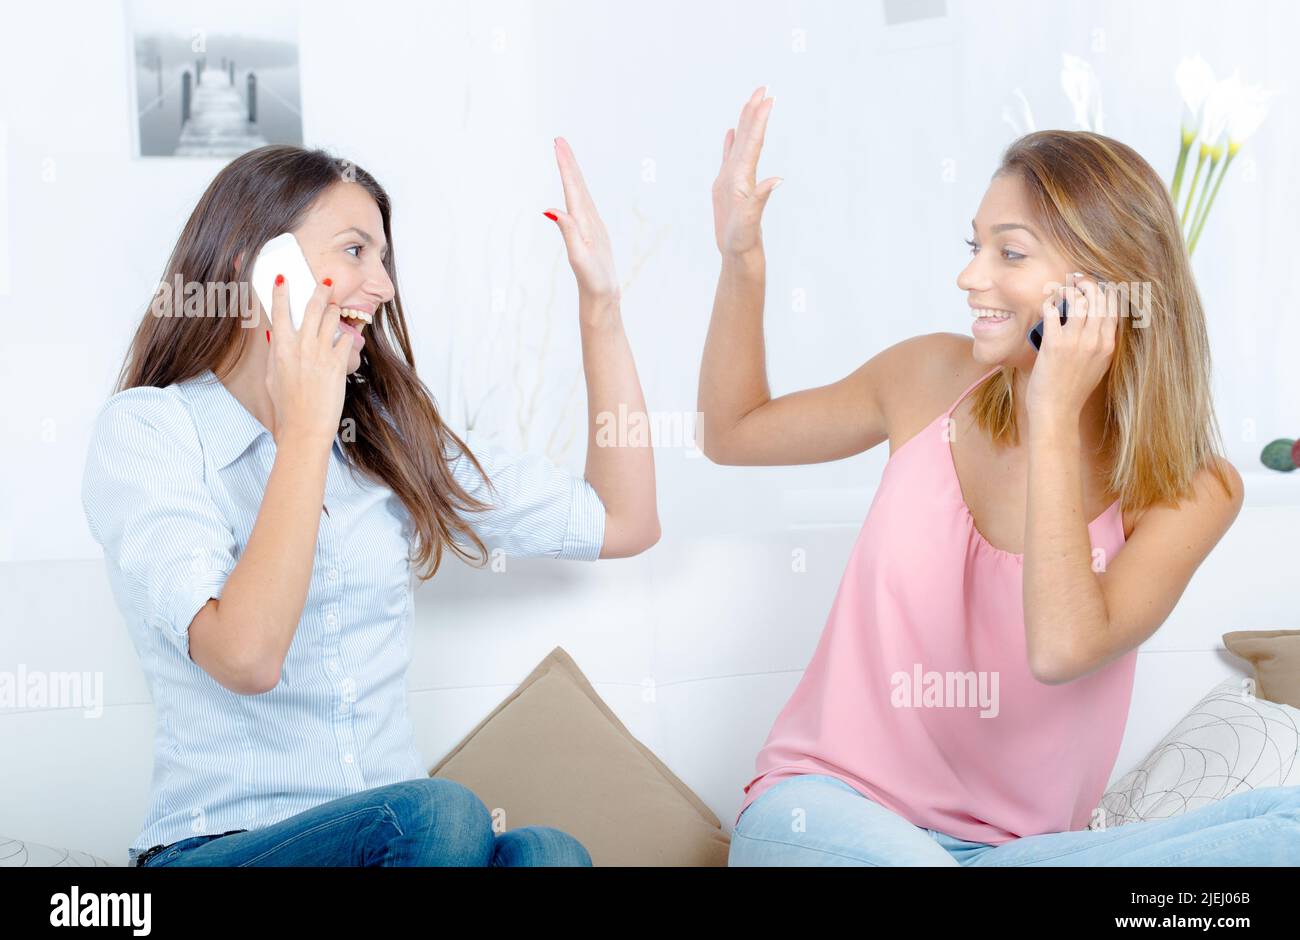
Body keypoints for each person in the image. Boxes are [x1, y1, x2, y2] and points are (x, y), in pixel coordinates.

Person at [703, 87, 1299, 865]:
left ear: (1107, 286)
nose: (969, 277)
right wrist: (741, 258)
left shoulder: (1195, 488)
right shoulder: (926, 378)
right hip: (825, 809)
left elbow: (1061, 649)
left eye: (1009, 254)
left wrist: (1053, 414)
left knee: (1285, 828)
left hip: (1017, 854)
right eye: (974, 244)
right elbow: (732, 434)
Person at [82, 140, 659, 867]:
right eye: (355, 251)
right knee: (435, 814)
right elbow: (248, 657)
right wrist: (307, 426)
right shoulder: (150, 431)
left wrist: (601, 305)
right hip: (220, 848)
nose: (382, 286)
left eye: (383, 259)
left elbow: (625, 521)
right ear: (262, 270)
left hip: (402, 841)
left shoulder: (381, 441)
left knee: (550, 854)